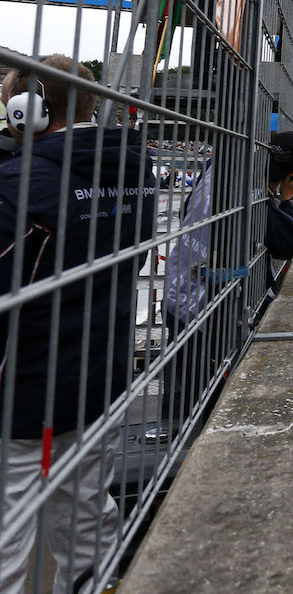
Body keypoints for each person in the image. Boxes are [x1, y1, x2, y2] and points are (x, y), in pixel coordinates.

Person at [0, 55, 155, 594]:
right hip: (100, 373)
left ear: (30, 112)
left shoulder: (19, 183)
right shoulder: (135, 169)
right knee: (86, 517)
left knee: (9, 532)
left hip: (25, 393)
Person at [255, 131, 293, 322]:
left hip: (180, 291)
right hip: (207, 307)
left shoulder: (218, 168)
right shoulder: (258, 198)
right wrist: (286, 199)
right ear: (292, 173)